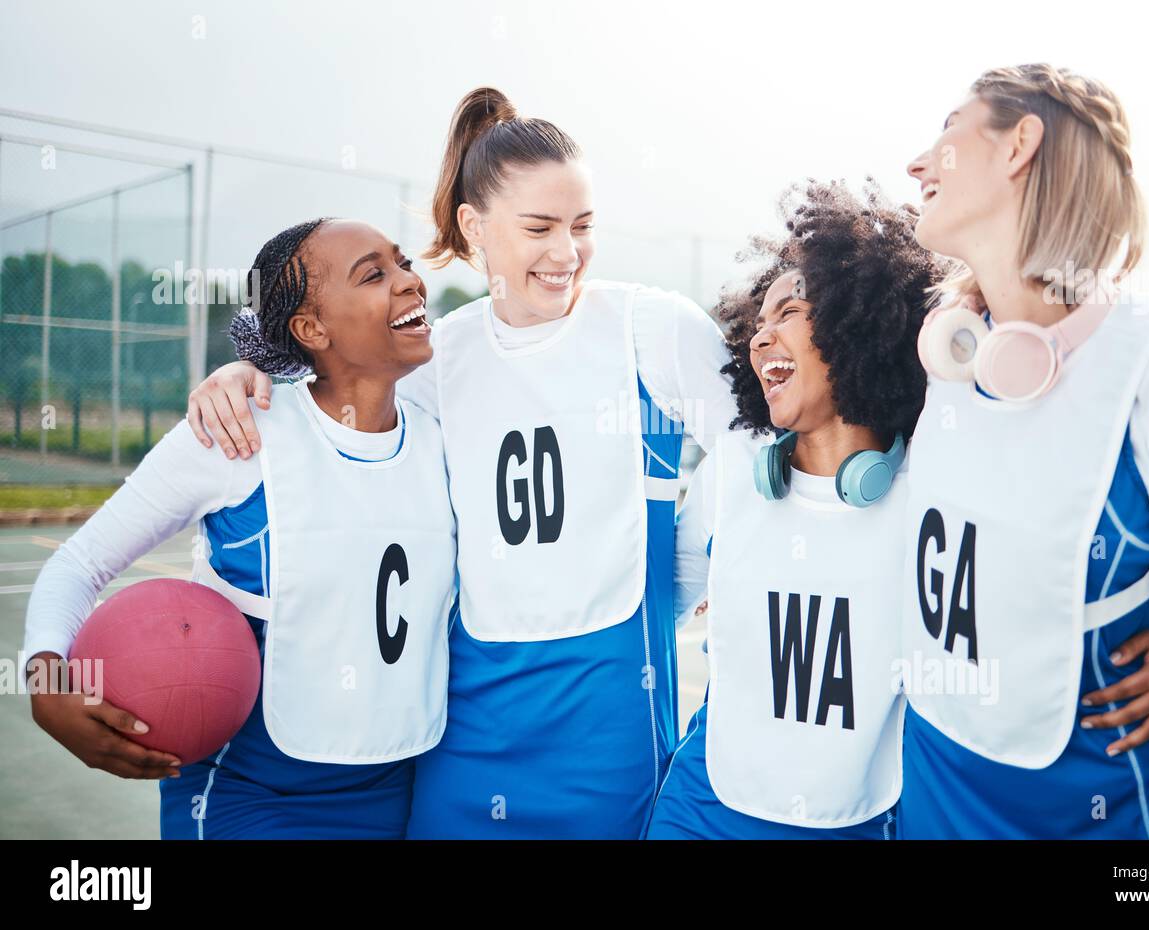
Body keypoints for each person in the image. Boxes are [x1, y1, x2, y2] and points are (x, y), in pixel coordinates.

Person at [182, 88, 737, 838]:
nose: (566, 251)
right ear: (475, 228)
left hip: (612, 733)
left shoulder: (653, 330)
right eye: (539, 227)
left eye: (582, 226)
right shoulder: (440, 358)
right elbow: (337, 417)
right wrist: (249, 378)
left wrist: (684, 576)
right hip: (466, 731)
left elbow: (758, 440)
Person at [650, 179, 1149, 840]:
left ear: (857, 323)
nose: (762, 339)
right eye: (758, 323)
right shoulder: (731, 471)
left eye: (789, 312)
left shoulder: (934, 487)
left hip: (868, 821)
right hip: (702, 808)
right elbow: (655, 611)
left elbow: (1035, 595)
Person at [899, 63, 1149, 838]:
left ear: (1019, 145)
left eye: (947, 130)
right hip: (927, 806)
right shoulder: (937, 347)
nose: (916, 163)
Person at [25, 218, 456, 839]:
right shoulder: (240, 435)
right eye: (375, 274)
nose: (410, 282)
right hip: (253, 797)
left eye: (403, 262)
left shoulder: (441, 436)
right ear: (312, 329)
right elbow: (80, 562)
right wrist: (44, 682)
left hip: (405, 788)